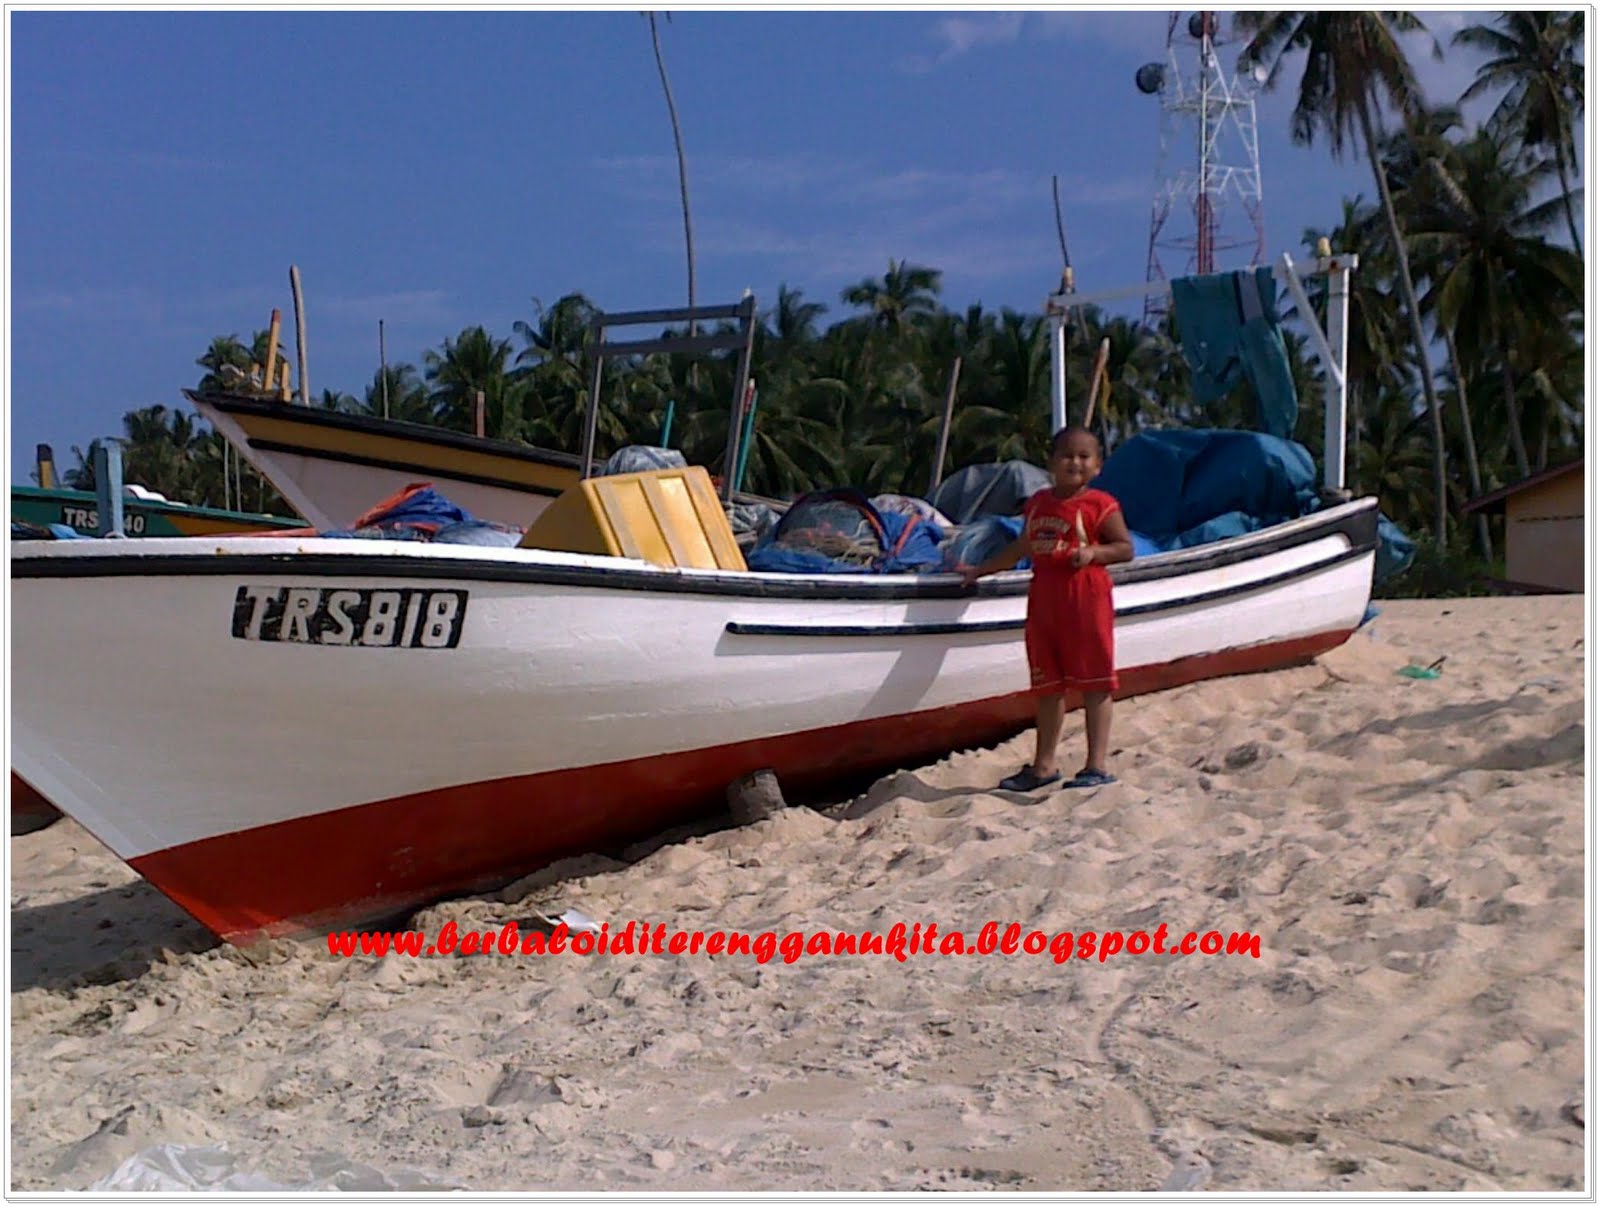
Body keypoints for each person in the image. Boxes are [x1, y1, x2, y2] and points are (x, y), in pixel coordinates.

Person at [961, 425, 1133, 791]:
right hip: (1044, 600)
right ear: (1051, 462)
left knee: (1095, 682)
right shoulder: (1038, 503)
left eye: (1084, 456)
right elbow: (1022, 546)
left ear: (1098, 466)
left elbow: (1124, 548)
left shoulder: (1101, 505)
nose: (1075, 462)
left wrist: (1092, 553)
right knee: (1047, 685)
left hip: (1086, 598)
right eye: (1067, 455)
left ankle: (1096, 765)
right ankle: (1043, 766)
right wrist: (980, 570)